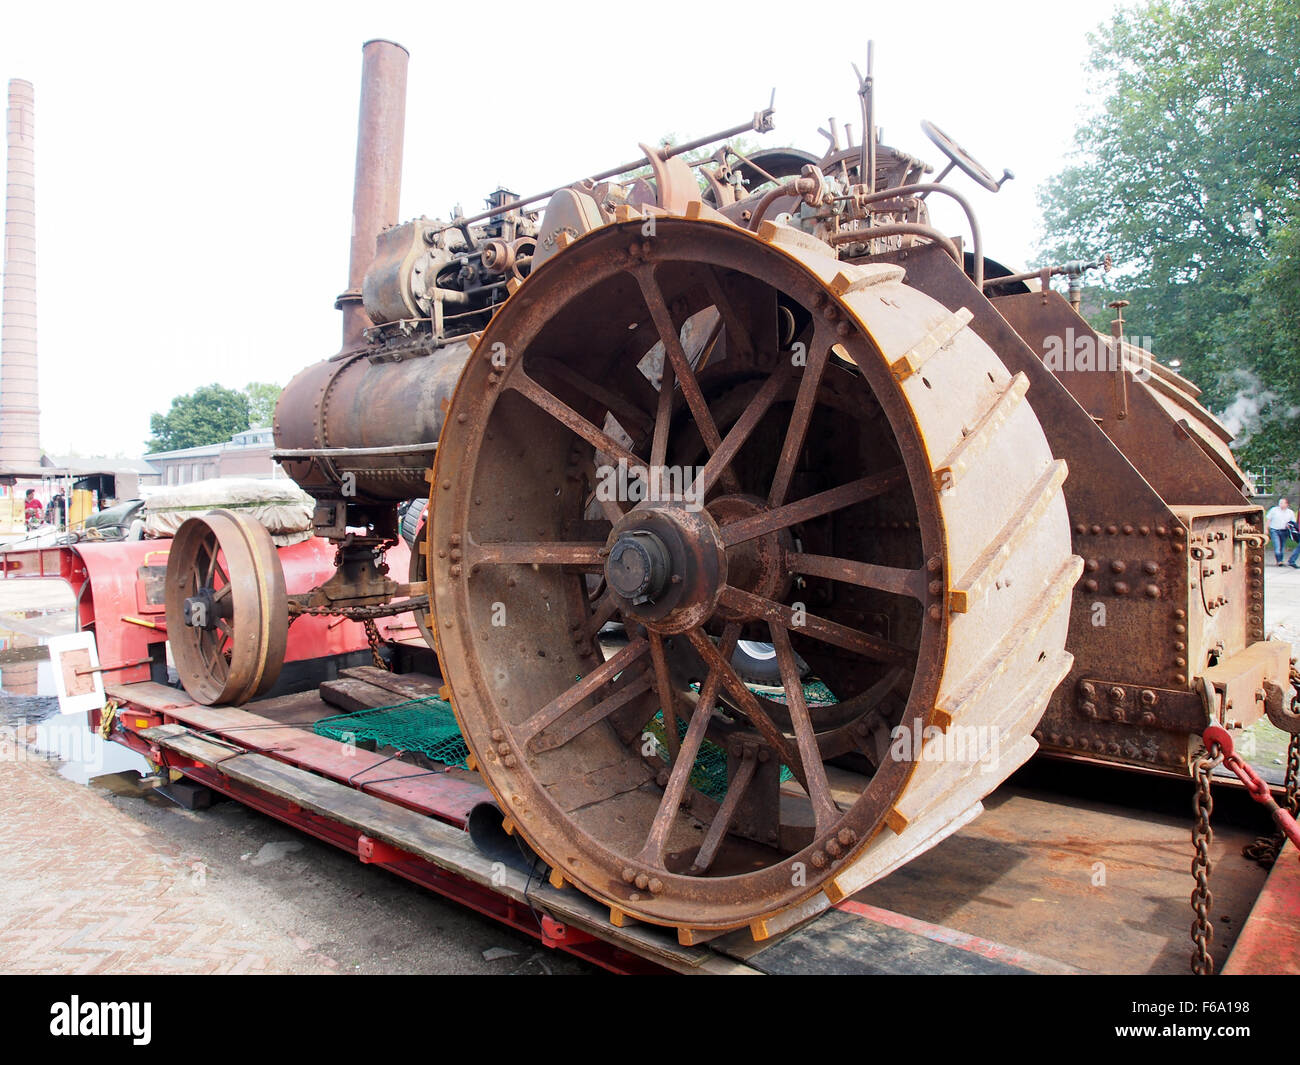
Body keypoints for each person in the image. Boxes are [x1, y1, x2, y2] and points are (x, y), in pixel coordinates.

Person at [1266, 497, 1297, 565]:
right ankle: (1279, 561)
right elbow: (1268, 519)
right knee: (1277, 546)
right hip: (1274, 530)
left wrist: (1290, 526)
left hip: (1284, 531)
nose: (1281, 504)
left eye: (1283, 503)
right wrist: (1266, 528)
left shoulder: (1290, 512)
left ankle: (1281, 560)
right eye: (1280, 503)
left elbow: (1293, 522)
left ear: (1287, 504)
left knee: (1282, 546)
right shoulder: (1274, 510)